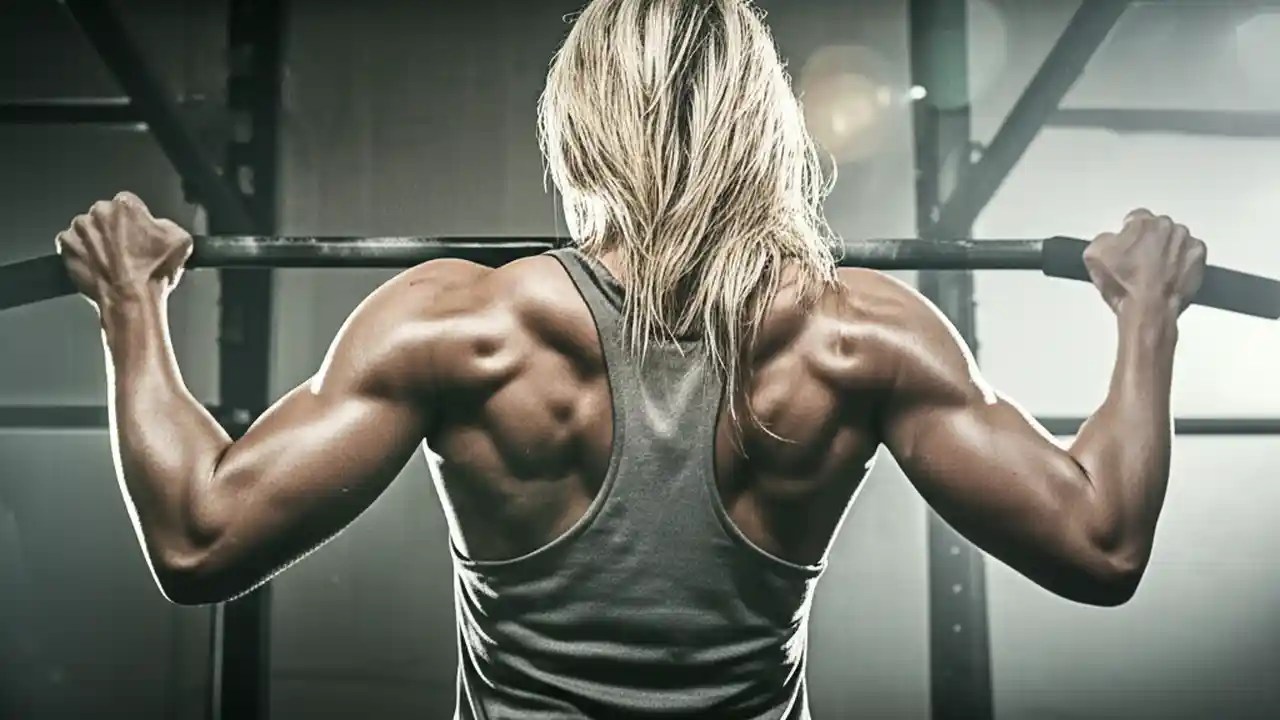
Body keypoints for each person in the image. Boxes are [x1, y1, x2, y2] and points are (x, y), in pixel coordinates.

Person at [55, 0, 1206, 717]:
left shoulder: (460, 327)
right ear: (764, 124)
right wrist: (1143, 315)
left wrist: (131, 305)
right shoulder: (861, 335)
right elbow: (1098, 544)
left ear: (580, 122)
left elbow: (199, 539)